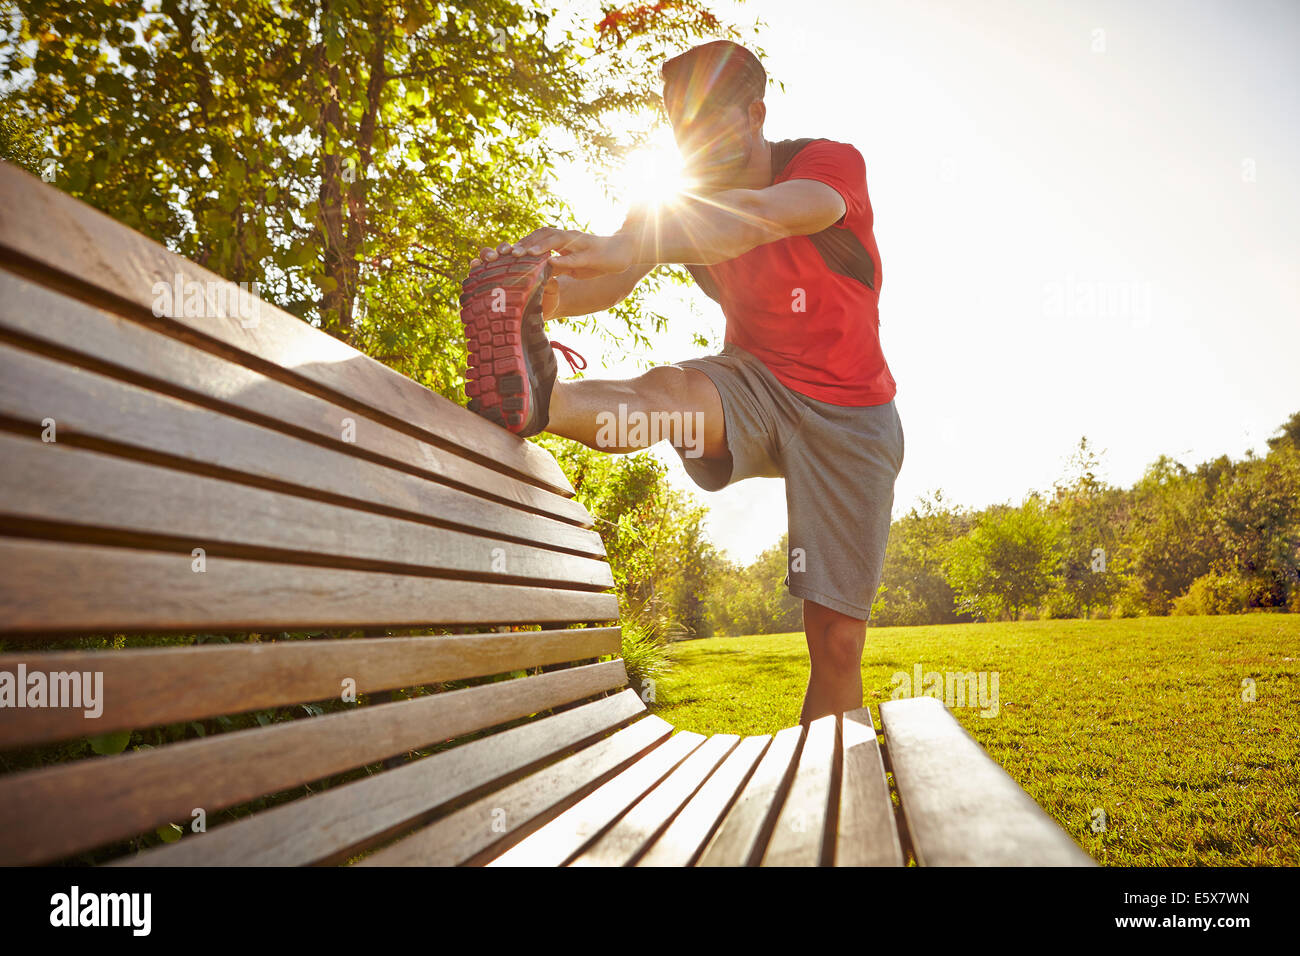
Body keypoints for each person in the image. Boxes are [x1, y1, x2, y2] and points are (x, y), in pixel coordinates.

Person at [461, 39, 904, 724]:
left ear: (756, 113)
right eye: (679, 127)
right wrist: (540, 294)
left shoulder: (825, 165)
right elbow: (608, 275)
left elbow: (761, 219)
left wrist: (634, 241)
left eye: (707, 124)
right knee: (665, 395)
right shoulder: (674, 202)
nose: (690, 144)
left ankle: (833, 802)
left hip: (854, 413)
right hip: (755, 382)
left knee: (838, 641)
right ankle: (539, 399)